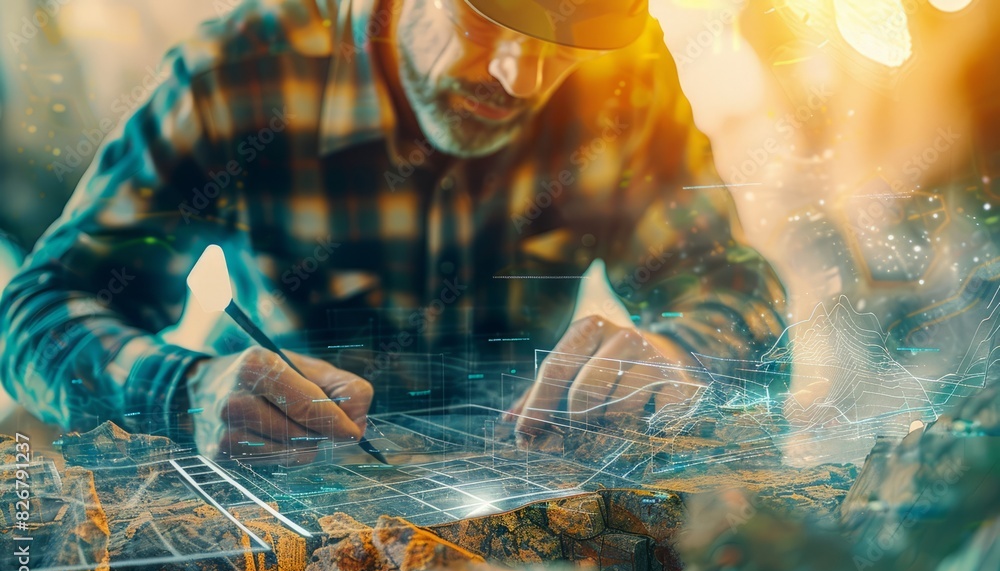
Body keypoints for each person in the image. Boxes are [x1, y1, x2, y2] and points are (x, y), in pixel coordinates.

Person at [0, 0, 786, 464]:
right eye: (485, 21)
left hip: (530, 489)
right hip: (300, 500)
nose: (522, 78)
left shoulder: (627, 76)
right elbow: (38, 311)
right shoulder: (242, 70)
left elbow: (732, 283)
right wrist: (183, 391)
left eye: (565, 44)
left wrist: (681, 353)